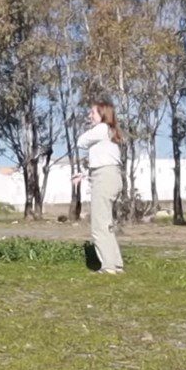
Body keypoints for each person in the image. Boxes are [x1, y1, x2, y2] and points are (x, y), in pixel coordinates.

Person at [73, 99, 124, 274]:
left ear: (102, 114)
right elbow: (104, 162)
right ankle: (116, 263)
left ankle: (108, 266)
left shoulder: (101, 129)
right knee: (107, 223)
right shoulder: (109, 132)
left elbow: (80, 142)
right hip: (110, 177)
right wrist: (86, 175)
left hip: (104, 178)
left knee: (99, 225)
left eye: (92, 112)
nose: (89, 115)